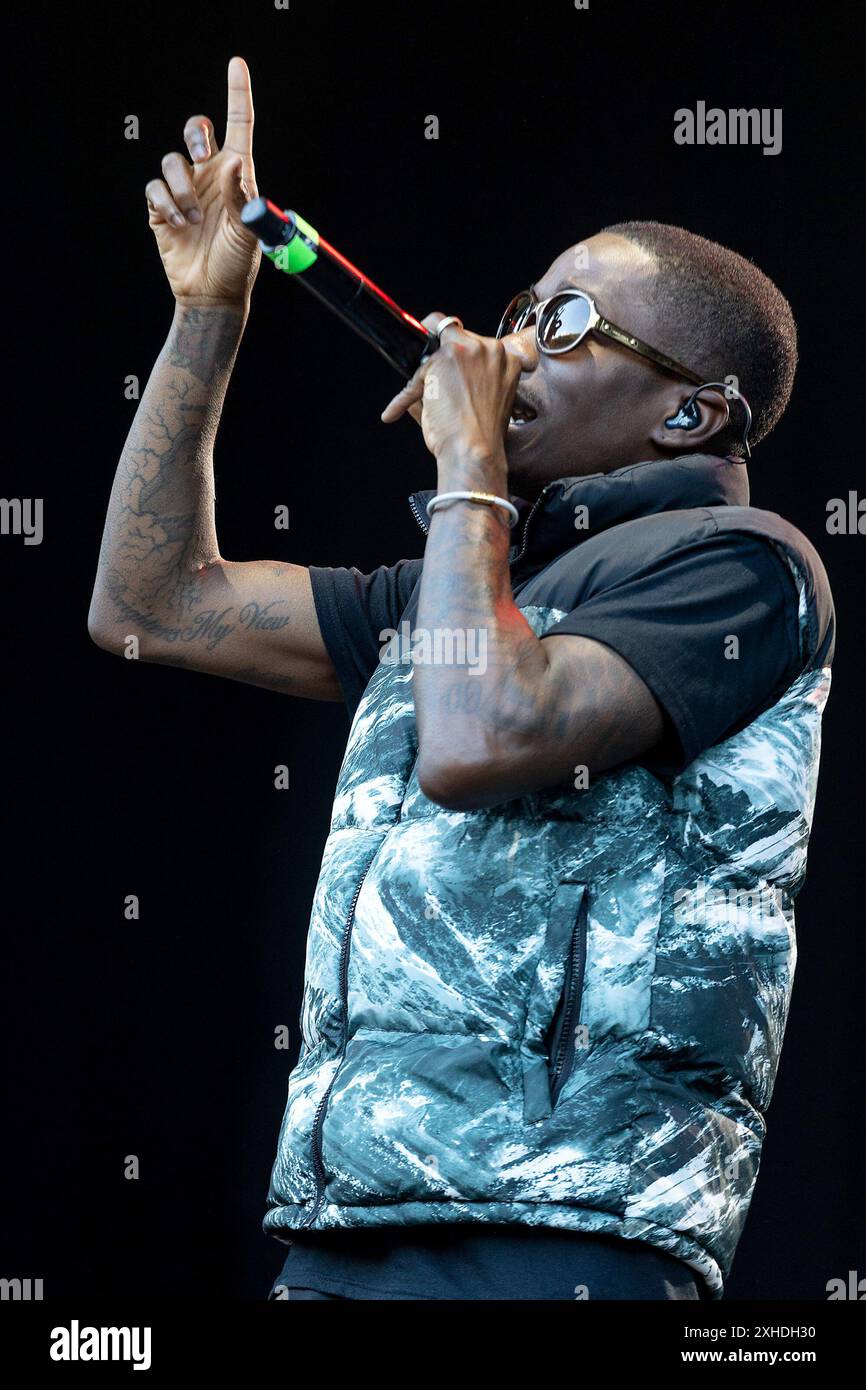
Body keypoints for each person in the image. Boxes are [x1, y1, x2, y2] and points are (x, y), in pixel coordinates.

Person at [89, 57, 835, 1301]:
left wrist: (470, 469)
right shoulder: (466, 582)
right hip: (347, 1222)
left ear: (689, 417)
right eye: (520, 308)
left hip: (566, 1235)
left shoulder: (743, 568)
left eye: (565, 326)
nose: (506, 348)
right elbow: (149, 603)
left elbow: (480, 738)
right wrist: (208, 314)